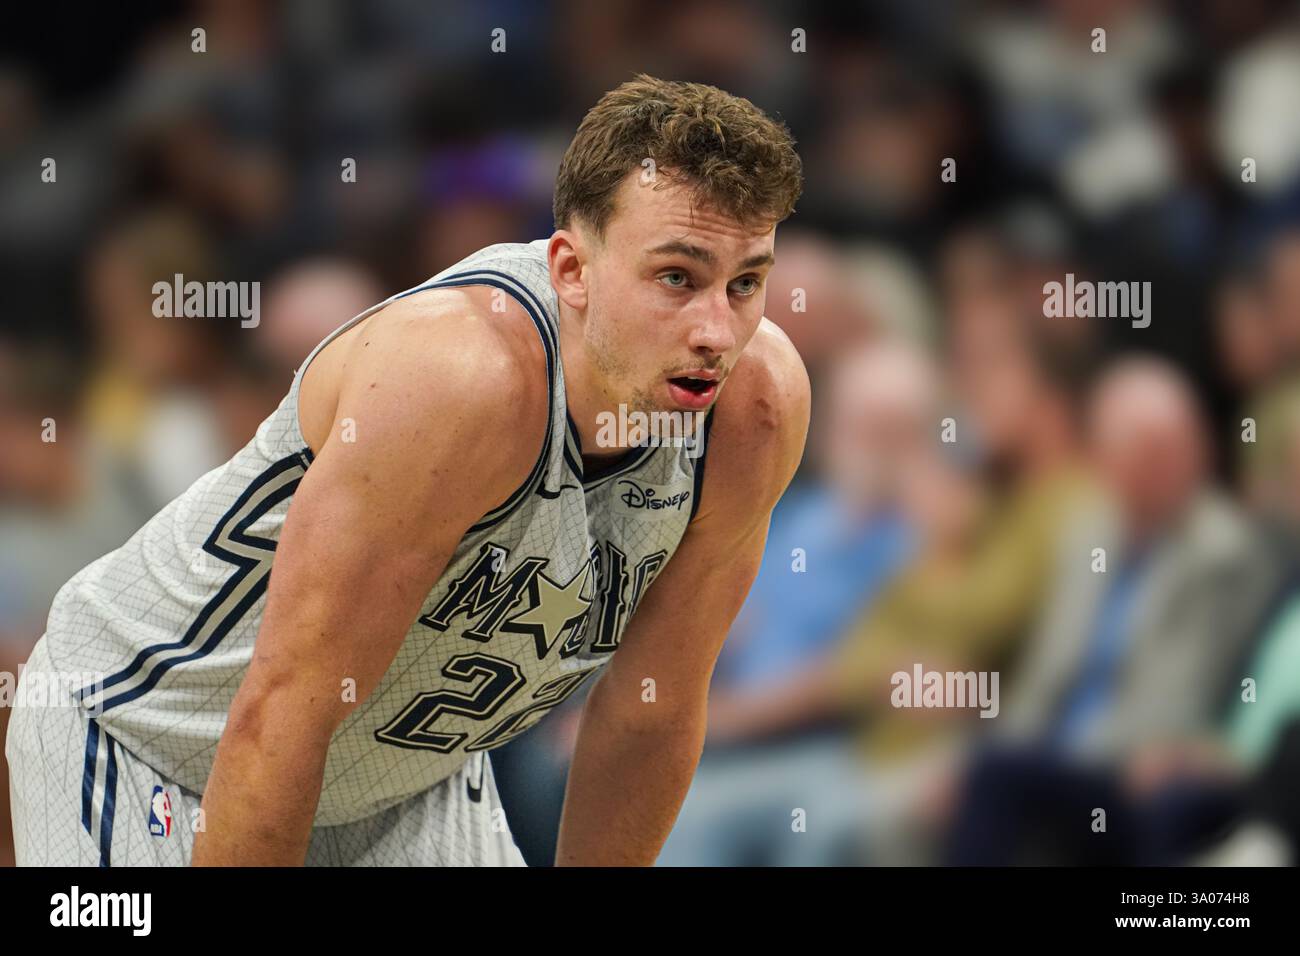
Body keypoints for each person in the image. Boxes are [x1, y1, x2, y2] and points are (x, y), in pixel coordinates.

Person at [5, 74, 810, 867]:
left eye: (746, 283)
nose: (717, 330)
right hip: (160, 738)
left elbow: (654, 711)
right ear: (571, 271)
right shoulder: (460, 380)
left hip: (400, 777)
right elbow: (283, 709)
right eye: (678, 277)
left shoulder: (756, 410)